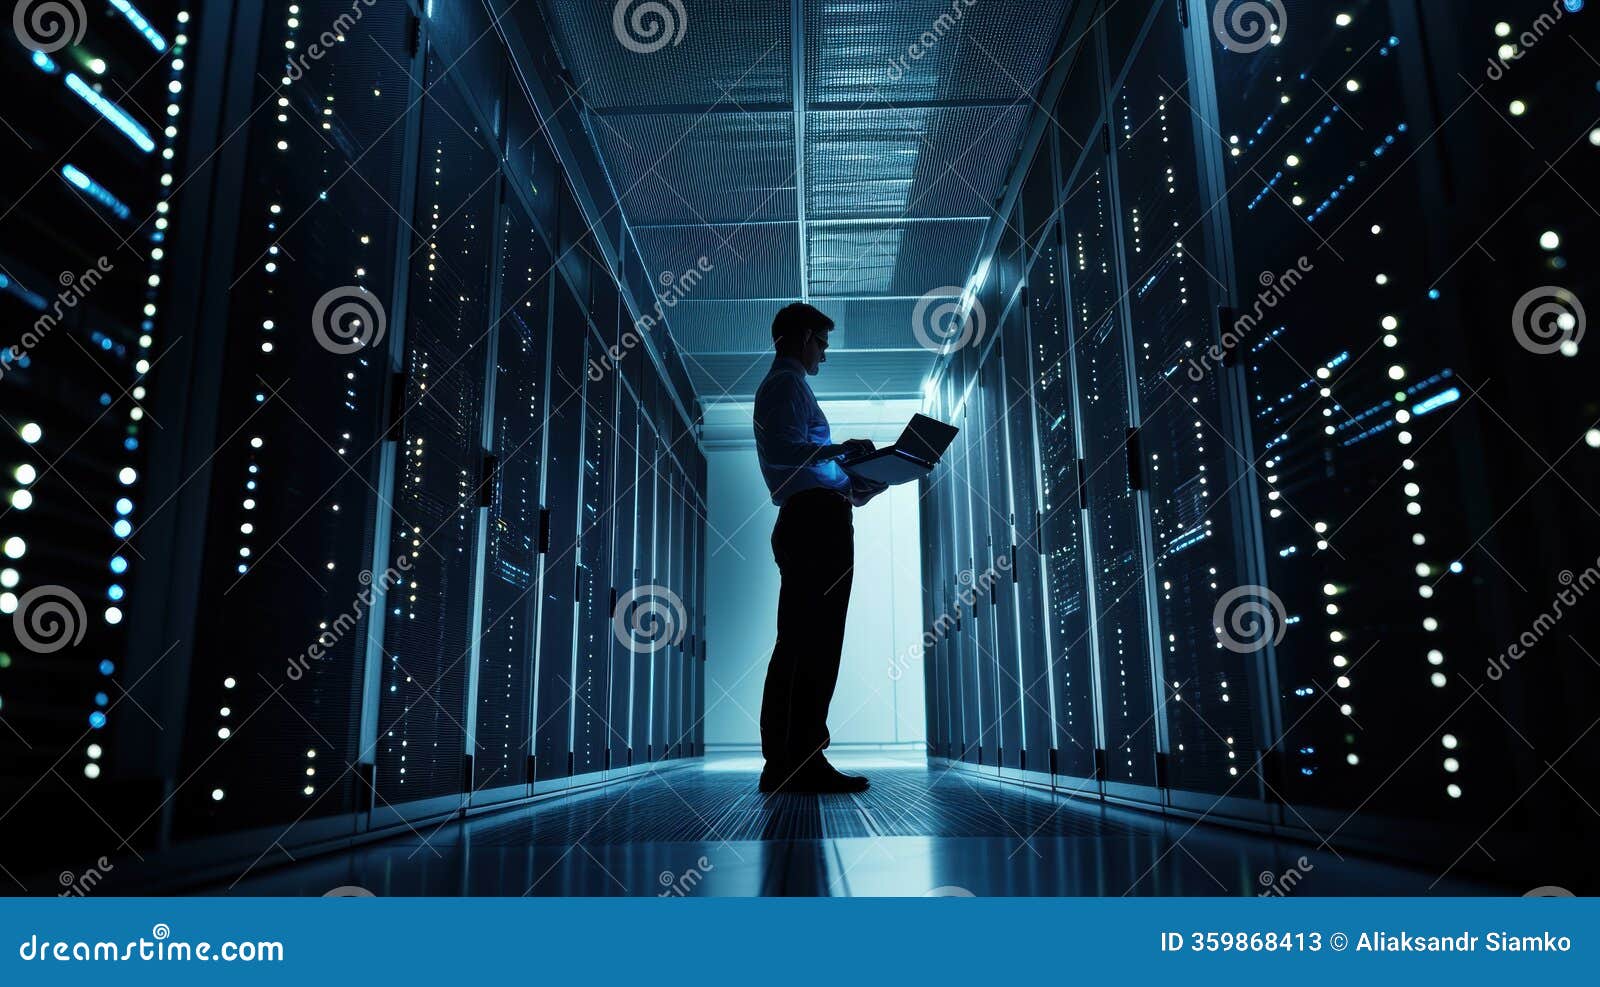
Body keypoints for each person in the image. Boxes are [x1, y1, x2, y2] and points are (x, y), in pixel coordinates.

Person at [752, 302, 889, 794]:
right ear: (803, 336)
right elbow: (787, 452)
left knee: (808, 639)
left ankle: (791, 759)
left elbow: (803, 465)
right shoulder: (785, 385)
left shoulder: (791, 387)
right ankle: (796, 761)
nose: (824, 356)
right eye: (822, 344)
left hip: (818, 516)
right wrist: (841, 451)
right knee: (810, 642)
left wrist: (857, 485)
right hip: (813, 524)